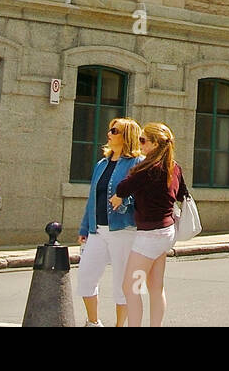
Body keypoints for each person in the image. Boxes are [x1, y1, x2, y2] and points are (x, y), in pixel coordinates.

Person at [110, 122, 190, 327]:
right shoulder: (175, 167)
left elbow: (123, 187)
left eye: (143, 140)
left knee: (131, 288)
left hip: (150, 237)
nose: (140, 144)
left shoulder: (149, 169)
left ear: (155, 144)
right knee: (155, 287)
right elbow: (181, 194)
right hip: (166, 233)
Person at [76, 117, 143, 327]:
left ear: (127, 136)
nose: (109, 133)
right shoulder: (101, 164)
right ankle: (93, 322)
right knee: (85, 277)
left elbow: (145, 195)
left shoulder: (137, 163)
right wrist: (85, 227)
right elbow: (92, 199)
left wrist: (125, 198)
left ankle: (119, 325)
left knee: (121, 283)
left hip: (123, 229)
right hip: (98, 230)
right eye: (110, 130)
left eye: (115, 131)